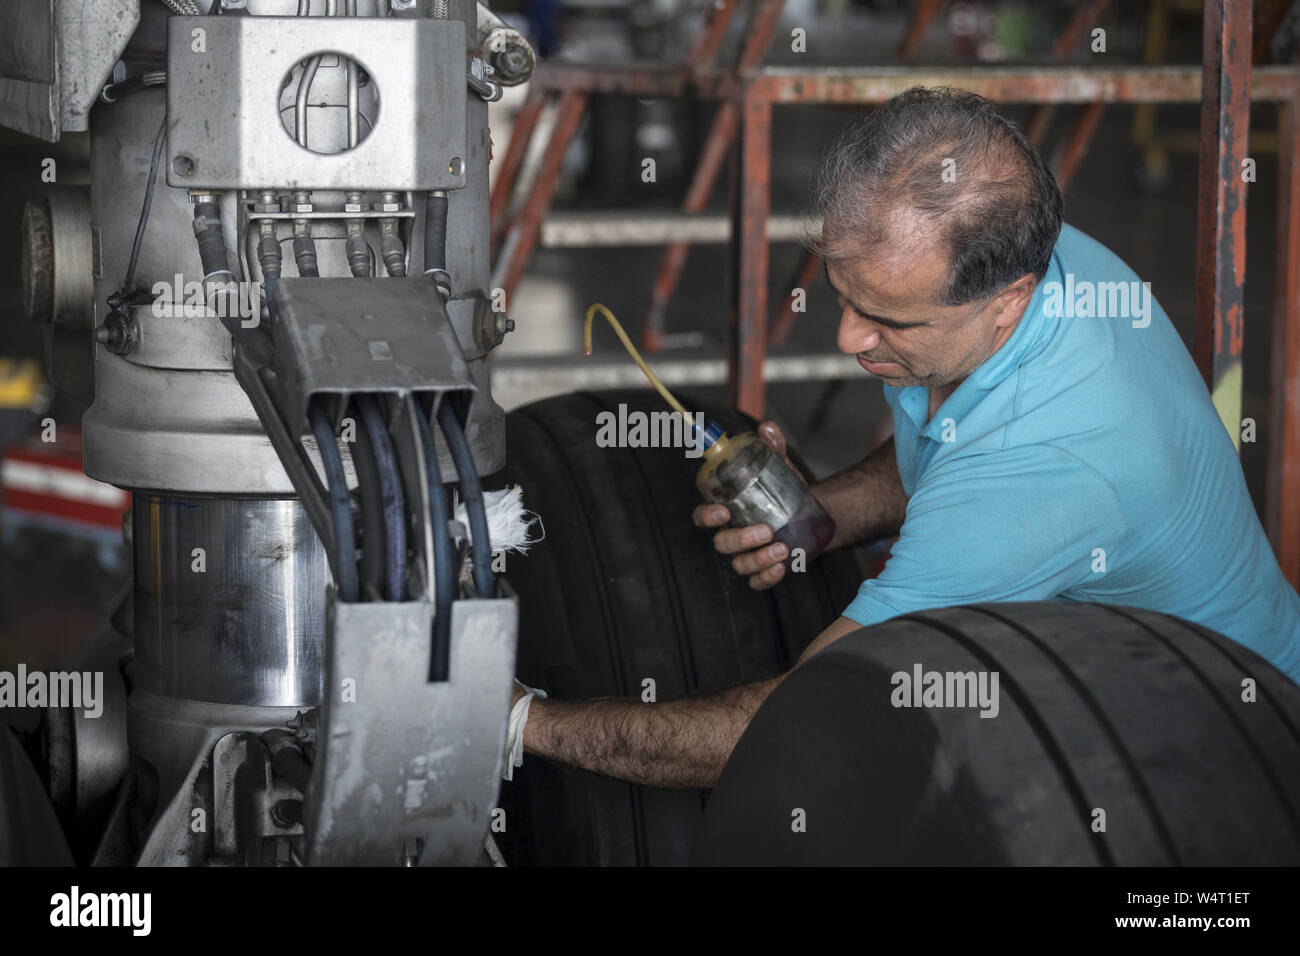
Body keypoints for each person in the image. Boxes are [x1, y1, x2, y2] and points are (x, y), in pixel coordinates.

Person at [508, 86, 1300, 791]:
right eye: (844, 294)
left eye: (889, 320)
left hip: (1227, 757)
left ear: (1008, 301)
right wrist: (826, 515)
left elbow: (801, 720)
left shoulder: (1043, 476)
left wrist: (526, 726)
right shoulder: (1033, 258)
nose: (851, 337)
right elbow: (950, 441)